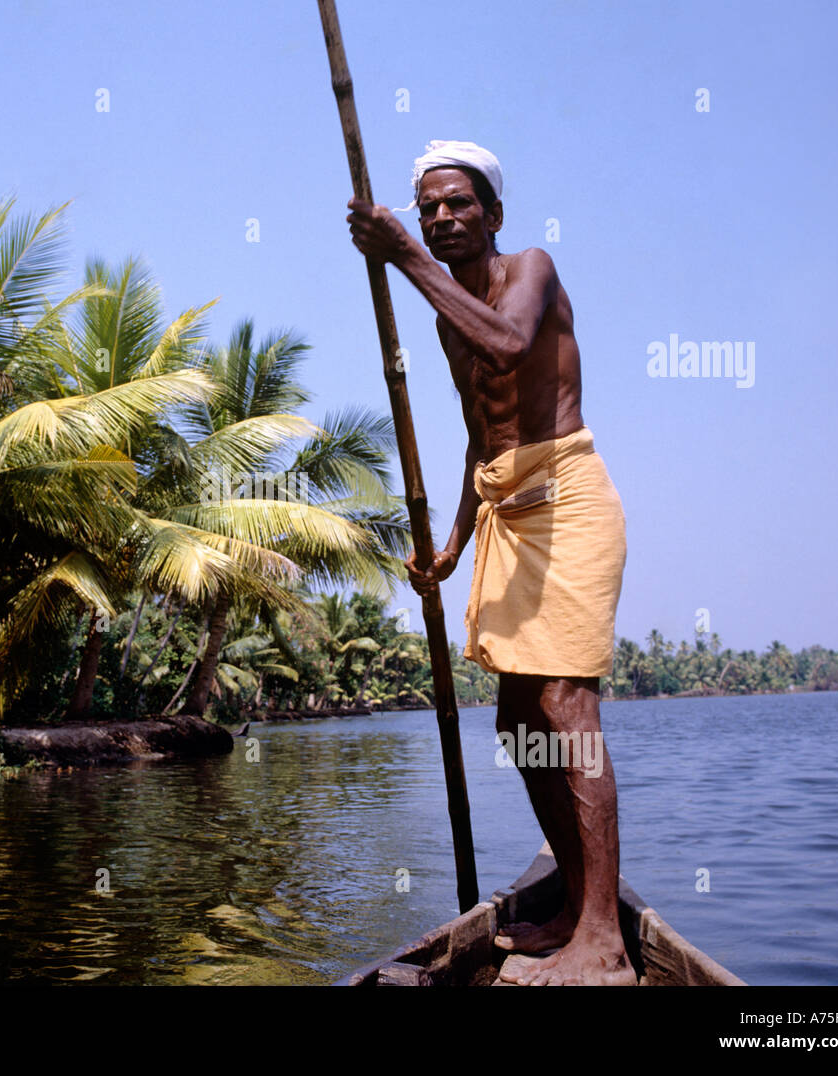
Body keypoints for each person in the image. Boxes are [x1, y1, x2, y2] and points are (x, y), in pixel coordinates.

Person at [346, 140, 635, 986]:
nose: (441, 218)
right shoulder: (445, 319)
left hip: (568, 501)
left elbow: (508, 345)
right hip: (506, 511)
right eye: (427, 209)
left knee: (564, 703)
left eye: (457, 204)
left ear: (493, 215)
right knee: (517, 719)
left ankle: (606, 943)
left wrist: (401, 257)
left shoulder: (530, 272)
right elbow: (482, 437)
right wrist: (453, 543)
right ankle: (580, 904)